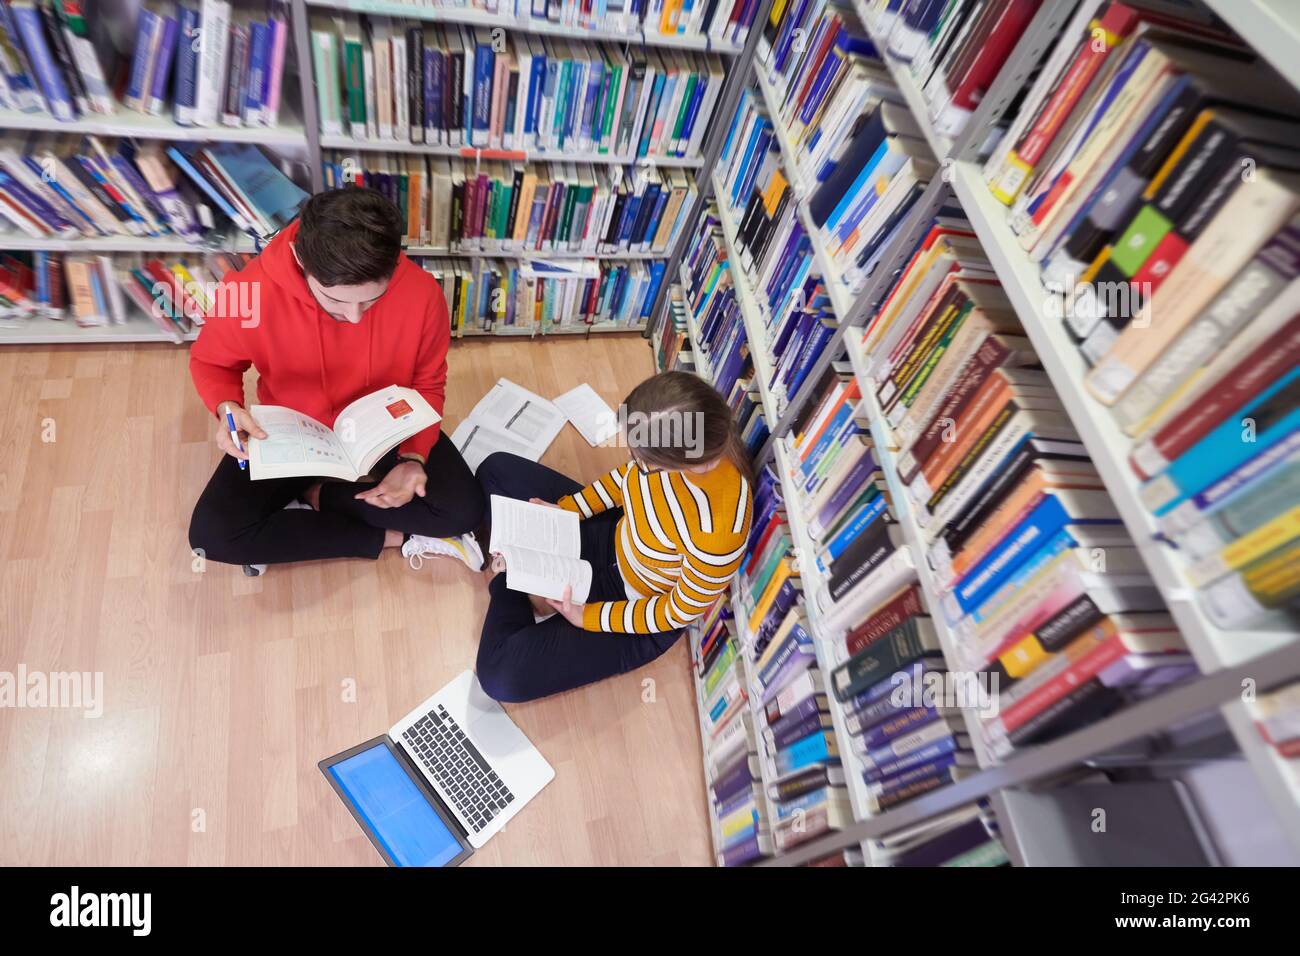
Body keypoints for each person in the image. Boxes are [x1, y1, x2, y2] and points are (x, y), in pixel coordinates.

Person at [187, 187, 485, 573]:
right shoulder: (248, 292)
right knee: (212, 535)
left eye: (371, 300)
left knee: (463, 512)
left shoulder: (423, 293)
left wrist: (414, 457)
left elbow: (428, 383)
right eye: (335, 301)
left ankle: (322, 497)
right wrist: (228, 409)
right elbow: (212, 363)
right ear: (300, 259)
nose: (356, 317)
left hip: (384, 422)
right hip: (292, 428)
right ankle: (393, 537)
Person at [474, 371, 754, 702]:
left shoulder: (719, 531)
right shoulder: (669, 441)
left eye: (641, 460)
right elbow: (624, 480)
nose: (633, 462)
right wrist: (567, 510)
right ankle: (525, 575)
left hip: (633, 607)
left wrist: (588, 616)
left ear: (676, 464)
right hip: (614, 536)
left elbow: (674, 612)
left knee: (499, 676)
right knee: (496, 470)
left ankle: (508, 577)